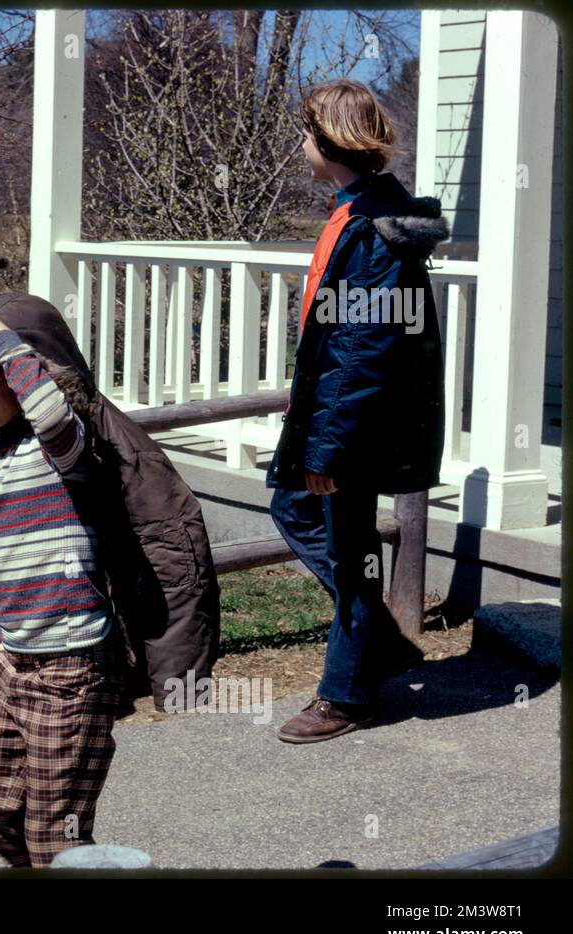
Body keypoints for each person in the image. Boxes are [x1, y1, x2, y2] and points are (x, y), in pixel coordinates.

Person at [267, 79, 448, 743]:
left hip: (358, 422)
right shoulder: (356, 209)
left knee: (349, 552)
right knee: (296, 510)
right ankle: (378, 639)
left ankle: (345, 695)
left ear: (333, 141)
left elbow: (360, 353)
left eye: (306, 133)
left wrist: (327, 450)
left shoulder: (372, 229)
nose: (301, 145)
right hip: (343, 413)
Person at [0, 304, 122, 867]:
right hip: (9, 658)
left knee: (56, 837)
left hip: (70, 667)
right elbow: (10, 553)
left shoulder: (62, 447)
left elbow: (51, 412)